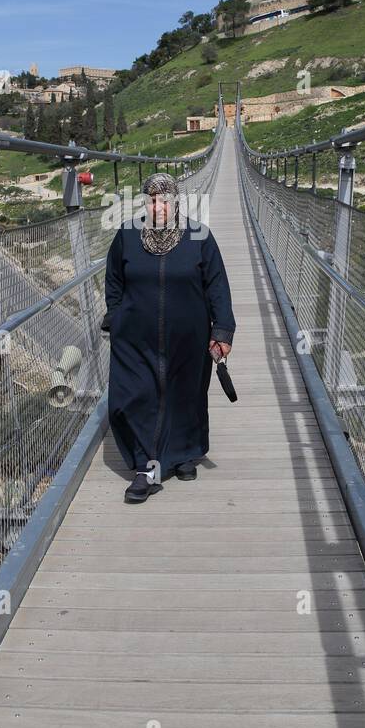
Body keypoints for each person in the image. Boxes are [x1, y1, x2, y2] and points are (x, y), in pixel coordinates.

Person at [101, 171, 235, 504]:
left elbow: (217, 286)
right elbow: (114, 281)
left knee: (185, 393)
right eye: (151, 199)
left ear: (175, 202)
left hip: (188, 333)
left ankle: (185, 454)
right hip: (135, 335)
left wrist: (222, 331)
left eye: (164, 200)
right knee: (136, 395)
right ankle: (147, 468)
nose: (158, 206)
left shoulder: (199, 236)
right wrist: (116, 318)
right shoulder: (128, 235)